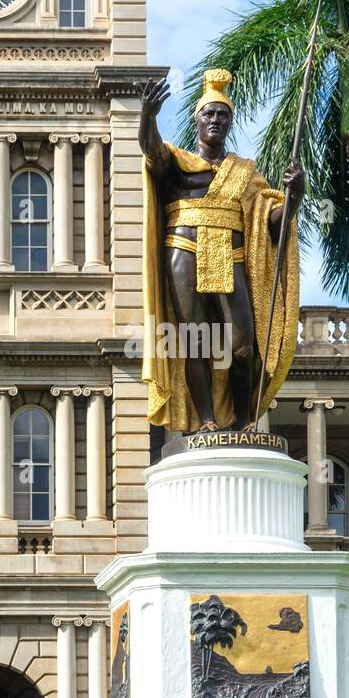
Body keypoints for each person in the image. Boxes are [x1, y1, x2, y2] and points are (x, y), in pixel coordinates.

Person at [139, 68, 304, 433]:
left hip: (232, 255)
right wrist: (147, 117)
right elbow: (151, 151)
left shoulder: (244, 173)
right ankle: (207, 421)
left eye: (222, 115)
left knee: (242, 347)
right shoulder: (179, 162)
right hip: (184, 250)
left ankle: (244, 421)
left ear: (230, 122)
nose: (215, 120)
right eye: (209, 114)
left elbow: (271, 223)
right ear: (197, 120)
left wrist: (294, 197)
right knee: (196, 340)